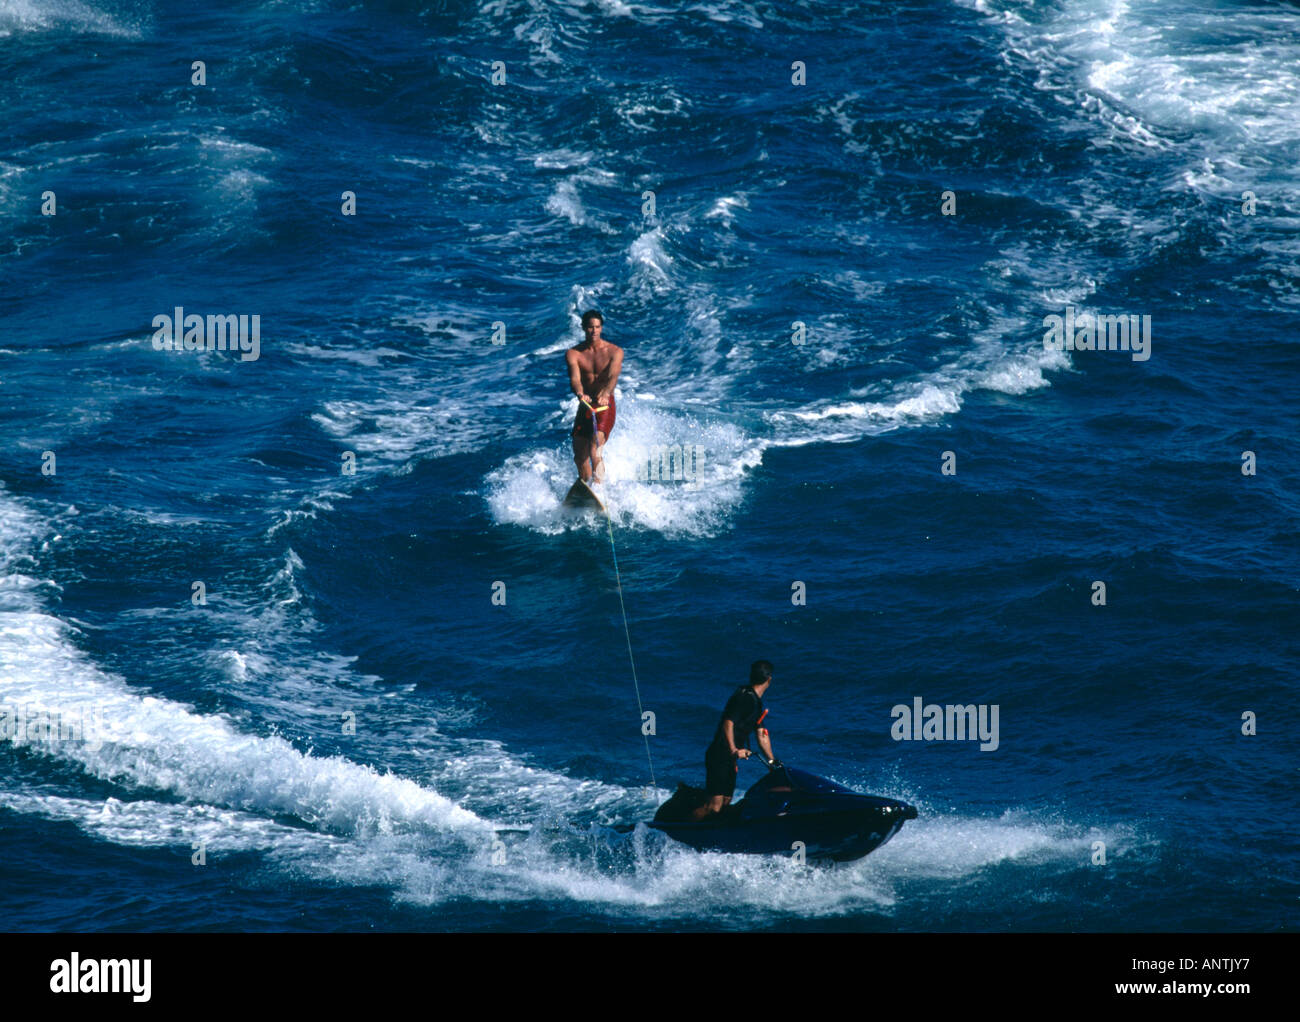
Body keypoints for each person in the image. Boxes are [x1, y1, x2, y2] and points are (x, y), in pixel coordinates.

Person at [692, 660, 780, 820]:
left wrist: (772, 761)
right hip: (719, 755)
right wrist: (733, 750)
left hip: (729, 758)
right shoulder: (744, 697)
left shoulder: (756, 703)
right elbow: (728, 721)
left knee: (726, 801)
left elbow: (761, 734)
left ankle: (712, 835)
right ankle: (684, 829)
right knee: (714, 806)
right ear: (769, 680)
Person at [565, 310, 623, 486]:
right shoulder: (574, 353)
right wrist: (580, 393)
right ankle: (586, 486)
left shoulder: (615, 351)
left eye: (597, 327)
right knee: (579, 456)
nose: (594, 331)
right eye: (590, 327)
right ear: (583, 328)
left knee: (594, 449)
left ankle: (600, 488)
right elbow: (575, 378)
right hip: (586, 404)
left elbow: (613, 377)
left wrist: (605, 393)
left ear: (601, 328)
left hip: (605, 405)